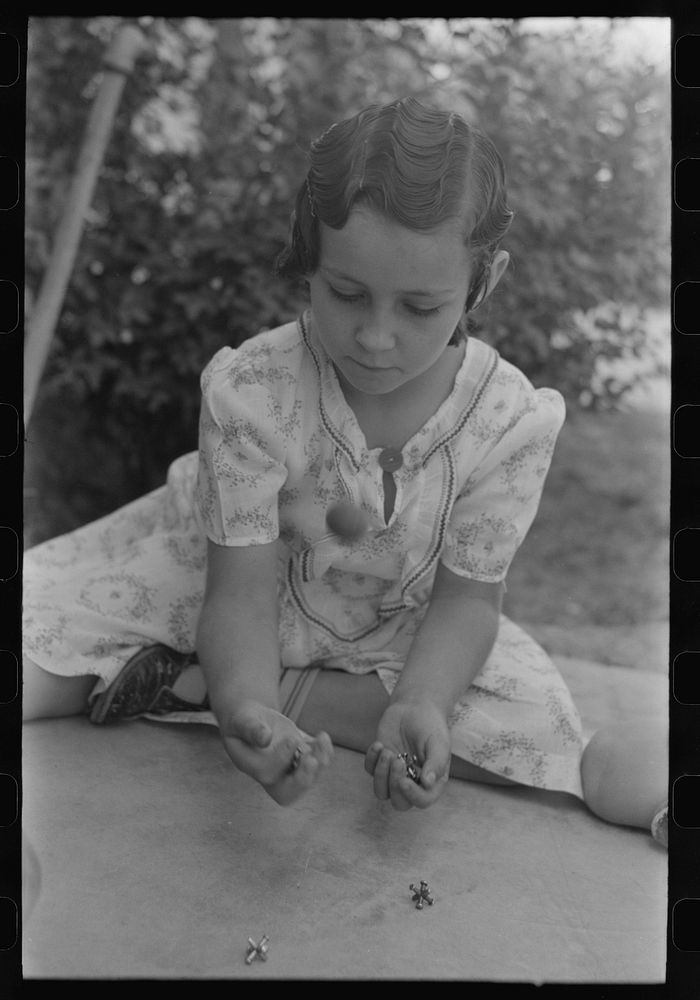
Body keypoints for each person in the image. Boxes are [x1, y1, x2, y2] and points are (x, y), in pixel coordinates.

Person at [23, 97, 668, 838]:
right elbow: (237, 591)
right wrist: (247, 709)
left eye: (421, 307)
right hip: (226, 577)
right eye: (347, 293)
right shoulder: (255, 391)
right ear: (309, 259)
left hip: (397, 620)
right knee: (39, 651)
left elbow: (466, 603)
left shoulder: (510, 423)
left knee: (540, 735)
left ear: (483, 282)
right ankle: (223, 684)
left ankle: (179, 681)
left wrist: (422, 701)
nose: (376, 338)